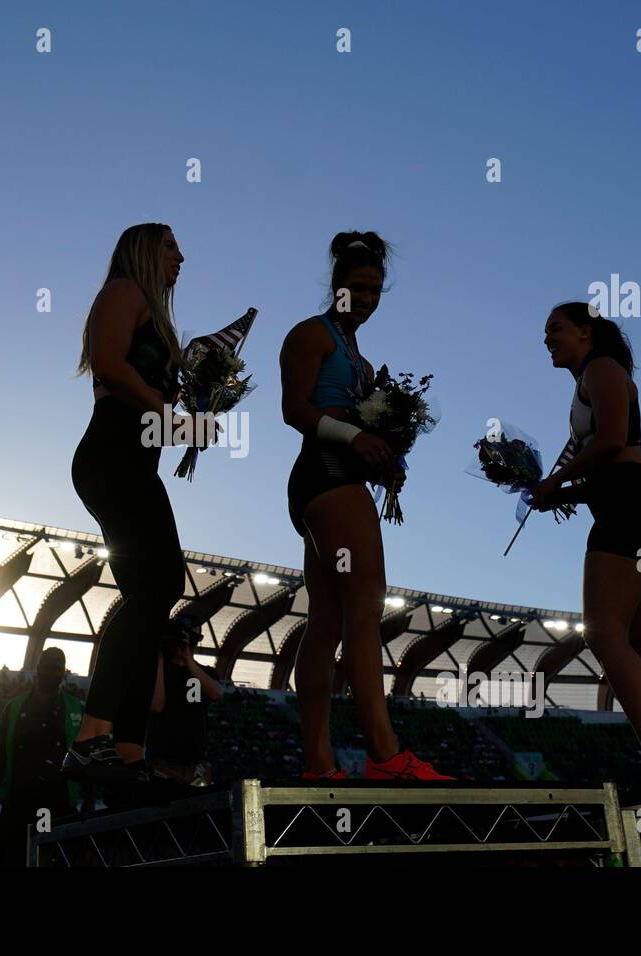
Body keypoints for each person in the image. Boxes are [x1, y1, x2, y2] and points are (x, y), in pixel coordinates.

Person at [279, 230, 452, 782]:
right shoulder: (311, 334)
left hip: (336, 480)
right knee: (365, 606)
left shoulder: (359, 356)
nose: (368, 299)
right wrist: (354, 440)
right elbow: (293, 409)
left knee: (327, 620)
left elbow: (355, 424)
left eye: (377, 290)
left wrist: (383, 455)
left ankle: (320, 765)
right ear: (336, 287)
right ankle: (384, 755)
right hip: (326, 476)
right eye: (358, 288)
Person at [530, 302, 641, 810]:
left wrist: (556, 479)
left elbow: (612, 440)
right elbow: (615, 462)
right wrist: (566, 495)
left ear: (586, 332)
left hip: (628, 514)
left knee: (603, 634)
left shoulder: (600, 368)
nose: (547, 339)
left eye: (555, 329)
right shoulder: (594, 374)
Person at [62, 222, 200, 786]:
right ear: (144, 249)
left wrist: (189, 423)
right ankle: (93, 733)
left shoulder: (158, 320)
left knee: (154, 595)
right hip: (110, 455)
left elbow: (152, 415)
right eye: (171, 246)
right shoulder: (123, 292)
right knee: (160, 584)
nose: (181, 256)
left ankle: (124, 747)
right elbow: (110, 366)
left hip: (132, 457)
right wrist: (169, 413)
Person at [0, 648, 84, 866]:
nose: (52, 671)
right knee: (16, 857)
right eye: (48, 666)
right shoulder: (15, 706)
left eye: (57, 667)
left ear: (63, 673)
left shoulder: (75, 708)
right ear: (38, 669)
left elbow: (83, 754)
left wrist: (87, 801)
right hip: (19, 801)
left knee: (48, 857)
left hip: (57, 801)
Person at [146, 615, 222, 784]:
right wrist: (158, 655)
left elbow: (216, 693)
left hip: (195, 763)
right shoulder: (159, 670)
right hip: (162, 762)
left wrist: (188, 659)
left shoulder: (206, 672)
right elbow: (156, 706)